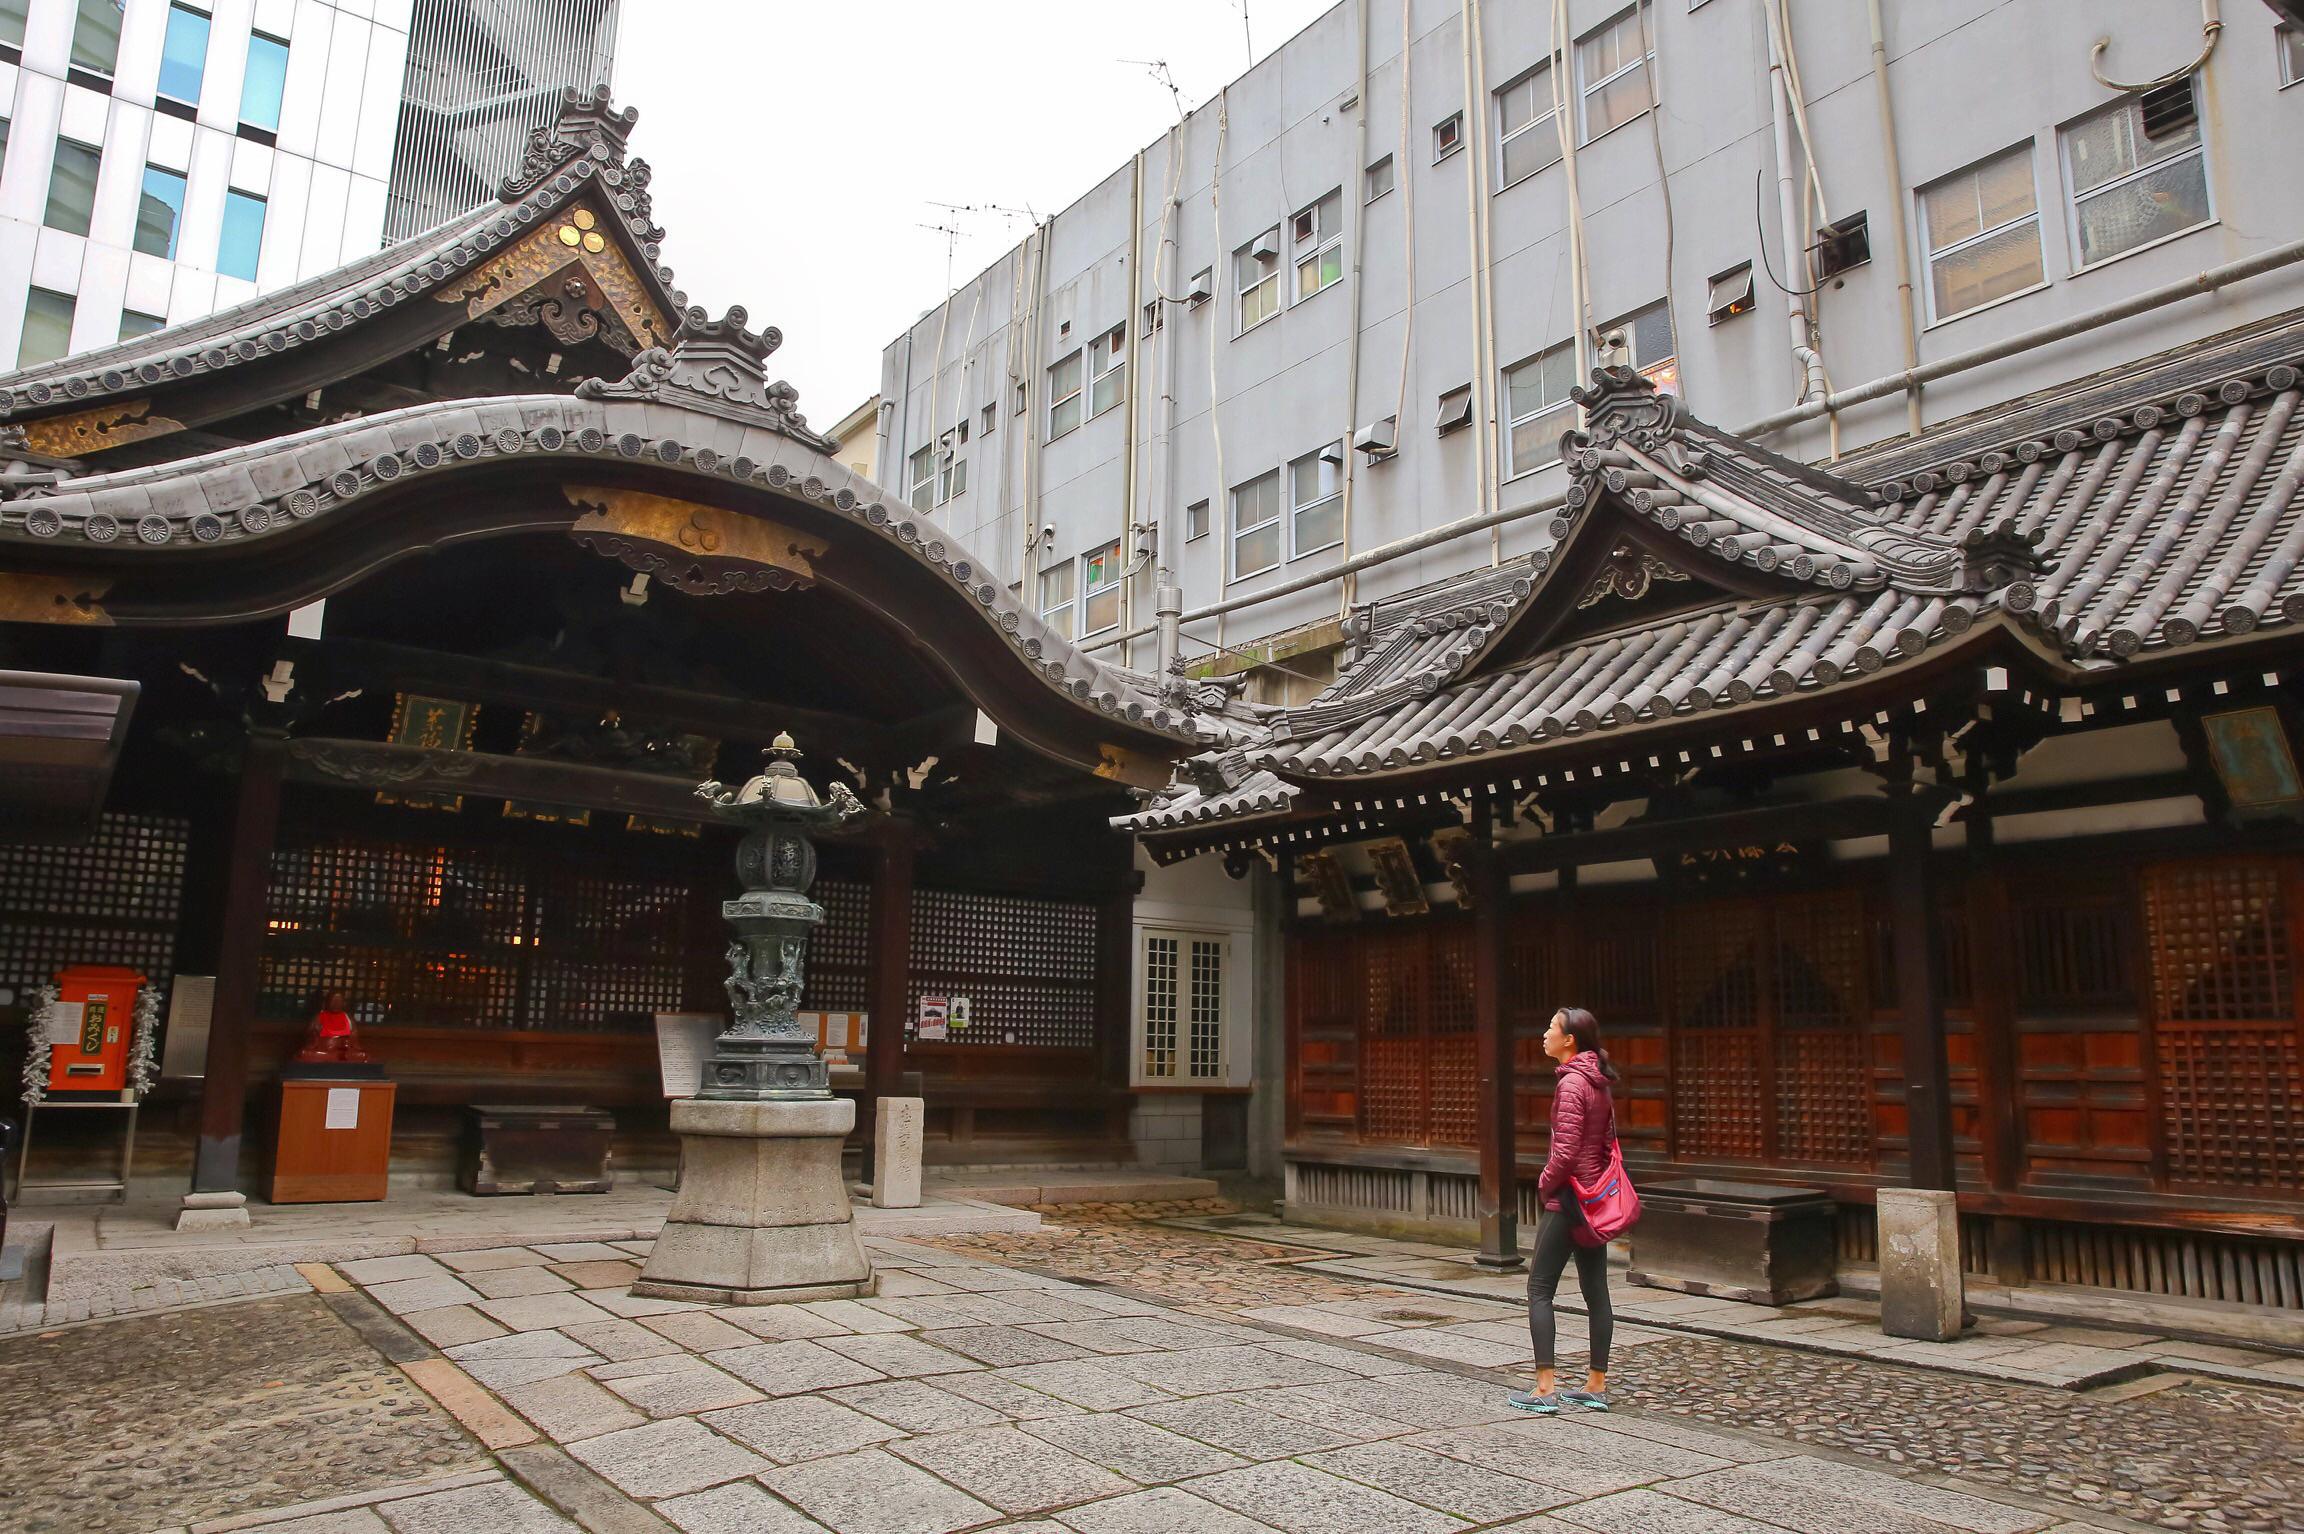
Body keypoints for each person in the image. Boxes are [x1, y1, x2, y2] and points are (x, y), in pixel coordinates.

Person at [1510, 1005, 1618, 1414]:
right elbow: (1606, 1144)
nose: (1544, 1034)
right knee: (1596, 1292)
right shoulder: (1600, 1081)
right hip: (1595, 1199)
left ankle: (1544, 1388)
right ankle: (1595, 1384)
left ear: (1569, 1040)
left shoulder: (1573, 1084)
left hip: (1569, 1197)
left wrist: (1544, 1181)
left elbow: (1567, 1150)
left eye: (1551, 1027)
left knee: (1539, 1289)